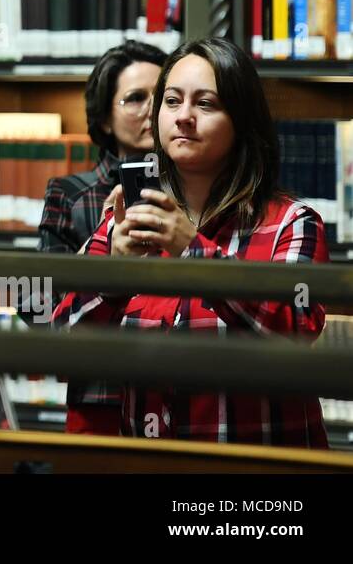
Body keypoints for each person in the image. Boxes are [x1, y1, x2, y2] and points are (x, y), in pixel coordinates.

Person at [52, 37, 329, 446]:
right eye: (172, 101)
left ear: (242, 119)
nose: (183, 117)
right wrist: (112, 274)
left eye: (205, 104)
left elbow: (295, 328)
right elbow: (59, 345)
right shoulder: (125, 218)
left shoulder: (293, 223)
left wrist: (192, 249)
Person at [37, 40, 166, 436]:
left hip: (177, 391)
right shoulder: (73, 195)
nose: (151, 110)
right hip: (102, 398)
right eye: (134, 98)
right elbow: (39, 304)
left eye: (161, 97)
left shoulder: (192, 190)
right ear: (105, 118)